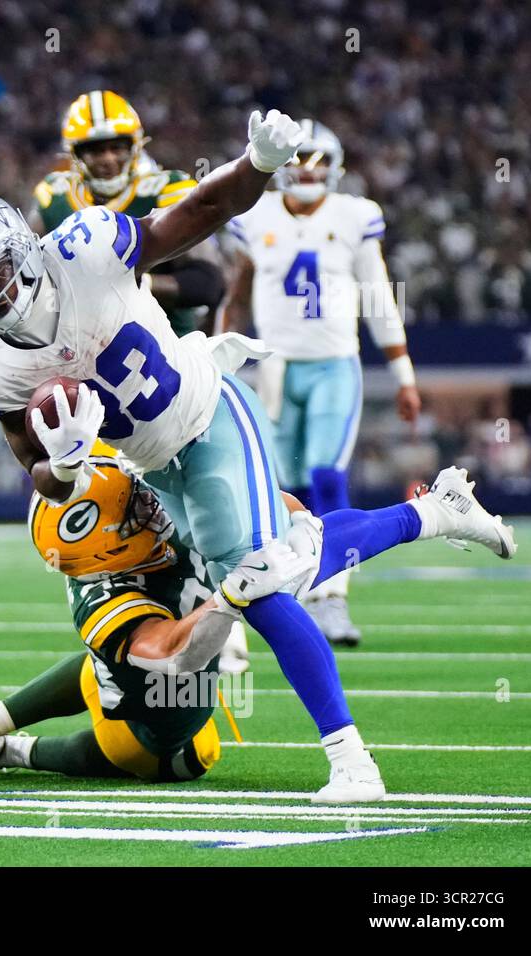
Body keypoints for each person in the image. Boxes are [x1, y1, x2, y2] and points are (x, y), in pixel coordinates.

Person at [0, 108, 409, 801]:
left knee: (260, 583)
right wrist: (60, 466)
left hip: (208, 412)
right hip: (151, 468)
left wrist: (258, 165)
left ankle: (352, 761)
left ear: (19, 246)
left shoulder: (86, 245)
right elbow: (39, 477)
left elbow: (205, 208)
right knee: (288, 561)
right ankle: (434, 516)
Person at [0, 449, 515, 802]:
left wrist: (273, 525)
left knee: (293, 548)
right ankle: (14, 750)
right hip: (151, 734)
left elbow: (294, 516)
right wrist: (225, 599)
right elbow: (173, 657)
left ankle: (434, 512)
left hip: (145, 668)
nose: (150, 505)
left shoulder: (147, 514)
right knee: (147, 737)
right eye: (135, 511)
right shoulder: (105, 593)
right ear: (110, 552)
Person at [216, 119, 422, 646]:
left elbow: (377, 297)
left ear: (336, 167)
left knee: (326, 474)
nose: (307, 169)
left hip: (333, 364)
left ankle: (334, 598)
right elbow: (236, 296)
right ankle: (308, 587)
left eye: (318, 159)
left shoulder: (354, 216)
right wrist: (215, 360)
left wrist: (403, 374)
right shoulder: (256, 215)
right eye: (298, 157)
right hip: (276, 369)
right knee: (290, 488)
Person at [29, 90, 224, 336]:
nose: (108, 159)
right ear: (75, 154)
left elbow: (209, 283)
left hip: (168, 350)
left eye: (117, 147)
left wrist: (128, 283)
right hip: (83, 354)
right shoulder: (53, 196)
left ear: (136, 146)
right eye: (95, 150)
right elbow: (28, 279)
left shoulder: (167, 190)